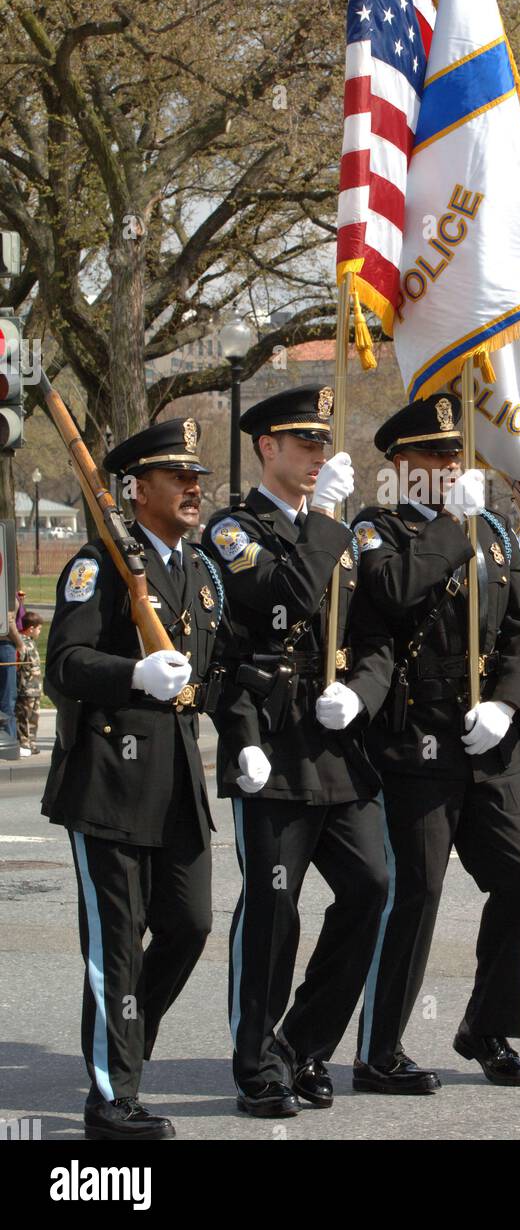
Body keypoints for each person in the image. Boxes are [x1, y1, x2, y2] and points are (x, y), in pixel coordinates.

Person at [41, 418, 235, 1141]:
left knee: (189, 924)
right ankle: (110, 1099)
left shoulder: (196, 572)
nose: (193, 488)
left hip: (177, 781)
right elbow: (63, 663)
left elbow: (216, 672)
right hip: (107, 787)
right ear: (136, 488)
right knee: (116, 946)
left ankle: (125, 1038)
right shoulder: (98, 564)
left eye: (196, 478)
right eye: (177, 477)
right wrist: (133, 675)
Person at [203, 385, 392, 1119]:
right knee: (274, 908)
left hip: (338, 747)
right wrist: (321, 524)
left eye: (322, 444)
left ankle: (304, 1042)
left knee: (372, 887)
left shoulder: (333, 530)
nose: (317, 455)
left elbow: (375, 638)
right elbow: (281, 595)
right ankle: (255, 1062)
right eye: (303, 443)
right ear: (266, 448)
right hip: (271, 744)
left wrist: (363, 693)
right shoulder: (233, 530)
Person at [350, 393, 520, 1095]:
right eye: (433, 454)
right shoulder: (378, 528)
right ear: (401, 464)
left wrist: (506, 704)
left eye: (452, 453)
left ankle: (486, 1026)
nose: (448, 463)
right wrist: (452, 525)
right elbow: (396, 593)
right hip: (418, 740)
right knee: (418, 889)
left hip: (487, 739)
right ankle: (379, 1048)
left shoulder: (491, 530)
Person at [14, 610, 43, 754]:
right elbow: (19, 665)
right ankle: (24, 743)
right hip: (26, 688)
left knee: (34, 718)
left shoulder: (31, 643)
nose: (39, 632)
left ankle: (32, 742)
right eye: (39, 629)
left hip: (36, 689)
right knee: (24, 718)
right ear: (31, 628)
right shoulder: (22, 643)